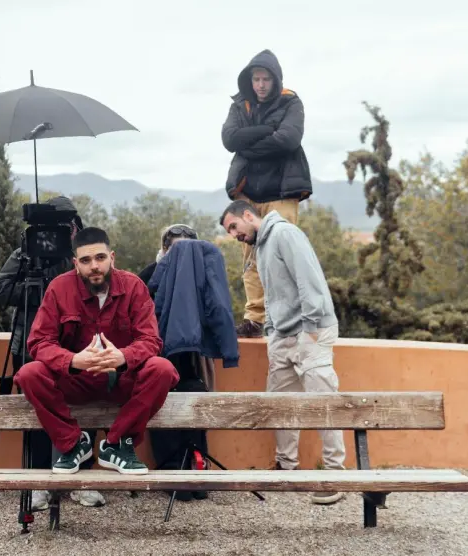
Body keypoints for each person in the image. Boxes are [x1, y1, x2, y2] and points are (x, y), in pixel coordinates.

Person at [14, 227, 179, 475]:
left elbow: (151, 340)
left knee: (162, 369)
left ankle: (117, 444)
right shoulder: (59, 288)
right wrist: (73, 360)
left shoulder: (133, 286)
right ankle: (73, 444)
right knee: (30, 374)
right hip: (77, 381)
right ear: (75, 263)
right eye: (86, 260)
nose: (94, 266)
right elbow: (38, 342)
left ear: (112, 257)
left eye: (100, 258)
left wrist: (123, 357)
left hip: (123, 382)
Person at [220, 199, 347, 505]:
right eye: (229, 231)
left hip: (309, 332)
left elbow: (309, 278)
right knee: (279, 403)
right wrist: (272, 332)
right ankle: (286, 469)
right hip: (282, 335)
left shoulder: (284, 234)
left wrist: (312, 326)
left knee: (322, 402)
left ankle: (336, 475)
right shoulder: (260, 246)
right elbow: (273, 294)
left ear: (249, 215)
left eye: (234, 226)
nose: (234, 234)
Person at [0, 196, 106, 509]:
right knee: (38, 412)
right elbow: (3, 290)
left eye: (70, 226)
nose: (65, 232)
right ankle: (39, 481)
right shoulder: (28, 253)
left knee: (85, 409)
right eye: (59, 227)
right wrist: (39, 284)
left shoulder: (85, 256)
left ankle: (80, 479)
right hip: (33, 344)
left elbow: (103, 288)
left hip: (79, 345)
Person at [142, 224, 239, 502]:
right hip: (177, 361)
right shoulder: (161, 274)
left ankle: (185, 472)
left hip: (179, 360)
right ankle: (185, 471)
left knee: (183, 401)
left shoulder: (159, 274)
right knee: (180, 404)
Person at [221, 48, 311, 339]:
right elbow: (229, 139)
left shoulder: (290, 102)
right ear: (249, 80)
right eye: (256, 79)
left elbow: (289, 139)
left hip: (283, 191)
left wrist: (248, 145)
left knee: (284, 254)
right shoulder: (240, 105)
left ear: (275, 80)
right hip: (249, 193)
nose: (260, 84)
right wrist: (267, 130)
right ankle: (254, 319)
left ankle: (290, 317)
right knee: (251, 258)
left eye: (266, 79)